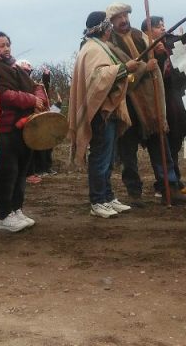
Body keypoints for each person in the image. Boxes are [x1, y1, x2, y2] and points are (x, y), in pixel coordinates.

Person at [106, 3, 186, 206]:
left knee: (160, 145)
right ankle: (134, 192)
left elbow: (158, 69)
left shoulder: (140, 36)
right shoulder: (110, 45)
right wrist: (144, 68)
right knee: (128, 150)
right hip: (127, 104)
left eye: (125, 15)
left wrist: (161, 54)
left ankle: (169, 187)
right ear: (111, 21)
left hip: (149, 103)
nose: (123, 20)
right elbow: (118, 75)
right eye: (118, 17)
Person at [68, 12, 134, 218]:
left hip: (108, 111)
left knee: (108, 157)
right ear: (105, 28)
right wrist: (124, 68)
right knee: (101, 157)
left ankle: (107, 195)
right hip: (100, 112)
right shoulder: (93, 49)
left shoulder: (99, 47)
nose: (111, 30)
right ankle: (98, 200)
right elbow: (98, 78)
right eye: (109, 27)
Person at [0, 31, 46, 232]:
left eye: (7, 45)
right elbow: (2, 94)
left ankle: (16, 208)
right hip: (4, 128)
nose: (5, 49)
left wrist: (38, 97)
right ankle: (3, 215)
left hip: (24, 127)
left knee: (22, 171)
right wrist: (31, 100)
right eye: (0, 45)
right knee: (7, 172)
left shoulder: (15, 68)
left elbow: (36, 86)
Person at [141, 16, 186, 197]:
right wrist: (157, 54)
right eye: (158, 27)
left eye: (163, 25)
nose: (163, 29)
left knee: (175, 142)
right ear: (148, 31)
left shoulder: (171, 43)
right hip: (157, 102)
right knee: (163, 145)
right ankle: (164, 185)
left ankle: (175, 181)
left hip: (175, 100)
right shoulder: (144, 48)